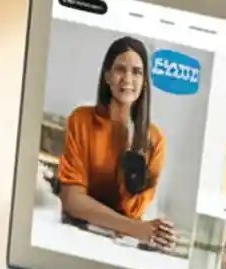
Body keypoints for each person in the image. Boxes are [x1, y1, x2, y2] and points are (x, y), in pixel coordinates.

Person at [56, 36, 176, 251]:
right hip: (77, 232)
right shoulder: (80, 120)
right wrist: (138, 229)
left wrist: (131, 143)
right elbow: (72, 200)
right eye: (121, 69)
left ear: (144, 82)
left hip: (120, 243)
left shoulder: (155, 140)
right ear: (107, 76)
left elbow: (132, 210)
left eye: (137, 72)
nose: (128, 79)